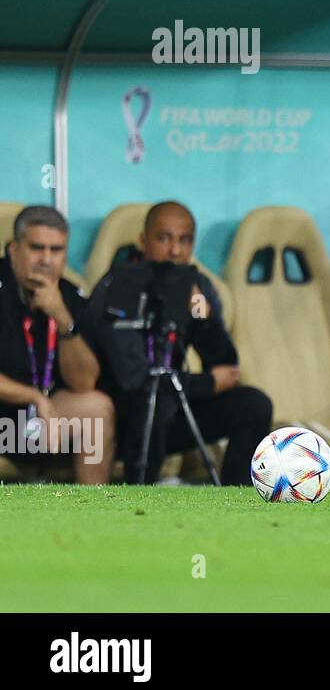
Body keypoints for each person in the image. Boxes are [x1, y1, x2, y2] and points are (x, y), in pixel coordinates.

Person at [86, 201, 272, 485]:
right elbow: (132, 378)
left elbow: (225, 367)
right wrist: (207, 383)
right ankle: (137, 506)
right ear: (143, 241)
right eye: (164, 238)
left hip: (172, 406)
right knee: (152, 401)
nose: (175, 251)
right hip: (122, 417)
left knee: (254, 404)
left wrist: (203, 316)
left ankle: (239, 501)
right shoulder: (121, 284)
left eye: (184, 241)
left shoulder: (196, 286)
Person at [0, 206, 114, 484]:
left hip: (36, 425)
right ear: (14, 250)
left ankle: (94, 515)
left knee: (97, 407)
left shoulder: (70, 297)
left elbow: (84, 382)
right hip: (7, 419)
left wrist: (63, 319)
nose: (46, 260)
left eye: (56, 250)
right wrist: (34, 396)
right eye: (37, 248)